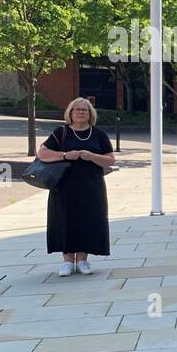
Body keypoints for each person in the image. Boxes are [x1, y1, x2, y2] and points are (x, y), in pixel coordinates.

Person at [36, 97, 115, 276]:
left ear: (90, 114)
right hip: (64, 185)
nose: (80, 112)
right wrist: (65, 155)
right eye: (77, 109)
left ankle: (82, 260)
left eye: (84, 110)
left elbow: (110, 159)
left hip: (91, 186)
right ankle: (66, 262)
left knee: (88, 220)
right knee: (65, 219)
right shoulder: (60, 132)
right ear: (70, 113)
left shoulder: (98, 134)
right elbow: (42, 153)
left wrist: (92, 156)